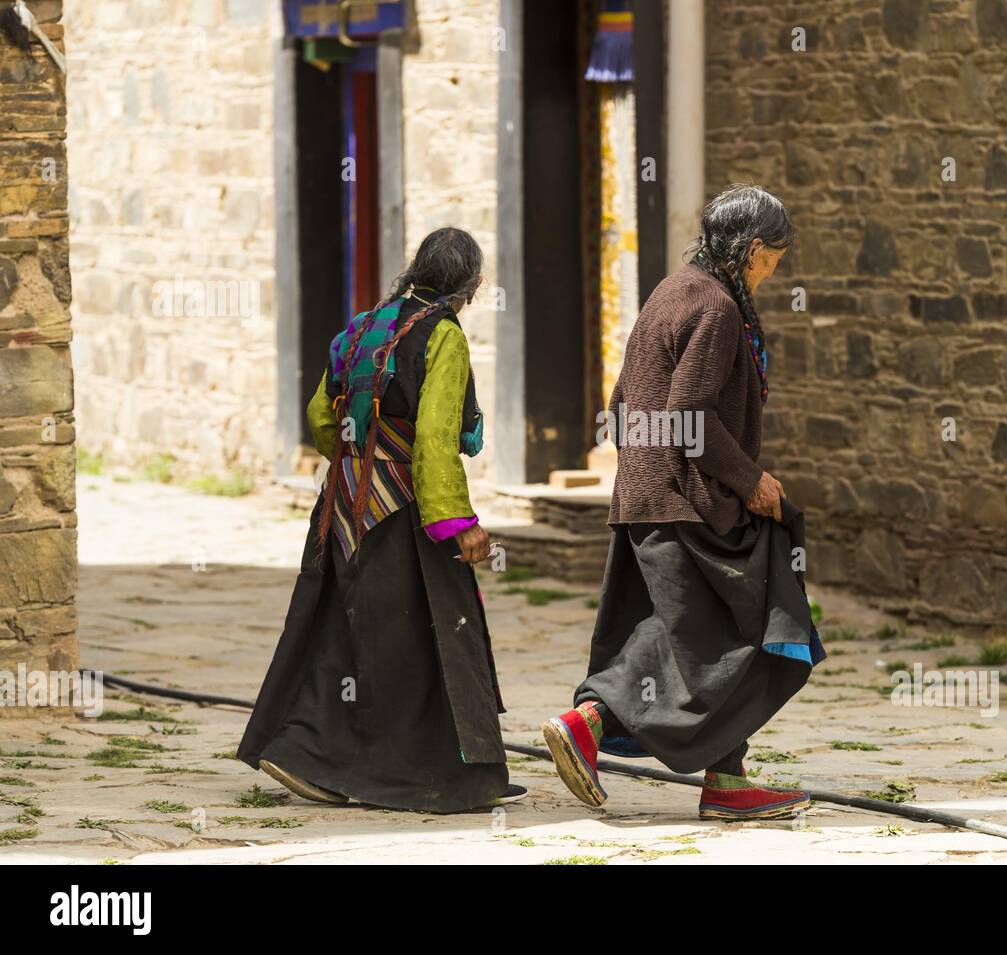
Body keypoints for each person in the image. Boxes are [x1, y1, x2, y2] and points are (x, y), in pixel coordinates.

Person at [543, 184, 824, 821]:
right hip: (690, 502)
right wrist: (750, 480)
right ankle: (588, 723)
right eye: (775, 256)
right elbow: (688, 413)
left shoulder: (672, 291)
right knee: (756, 629)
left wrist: (645, 474)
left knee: (688, 635)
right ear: (752, 248)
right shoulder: (718, 306)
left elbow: (620, 407)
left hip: (650, 496)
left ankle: (727, 780)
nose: (775, 270)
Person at [237, 227, 522, 812]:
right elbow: (437, 438)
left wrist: (360, 457)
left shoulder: (363, 326)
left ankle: (314, 756)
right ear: (468, 287)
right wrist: (457, 521)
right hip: (404, 510)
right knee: (424, 637)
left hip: (342, 506)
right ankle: (419, 777)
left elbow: (323, 415)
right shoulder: (441, 334)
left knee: (346, 632)